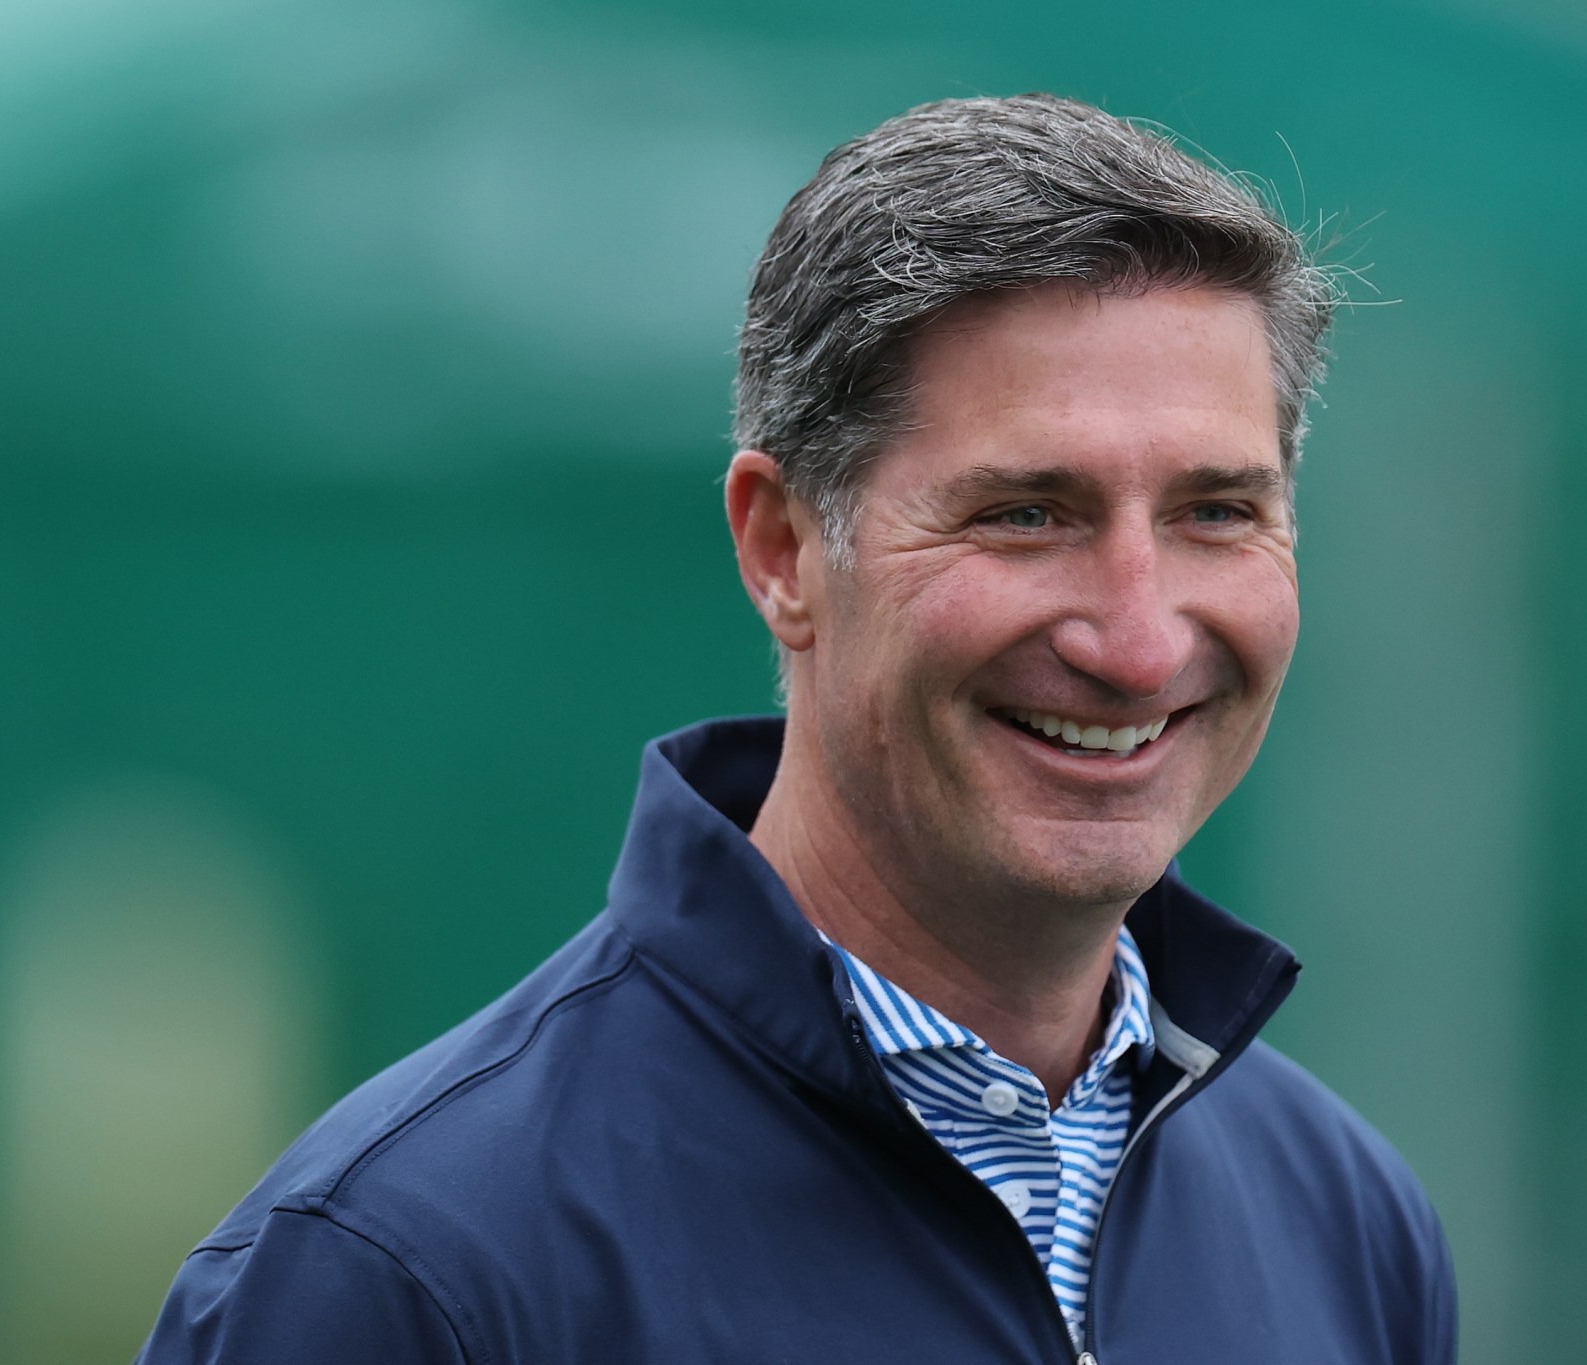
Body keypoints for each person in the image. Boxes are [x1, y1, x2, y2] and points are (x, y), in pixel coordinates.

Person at [139, 93, 1456, 1365]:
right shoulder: (407, 1273)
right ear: (782, 549)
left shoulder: (1347, 1227)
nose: (1139, 641)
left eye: (1217, 513)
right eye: (1025, 514)